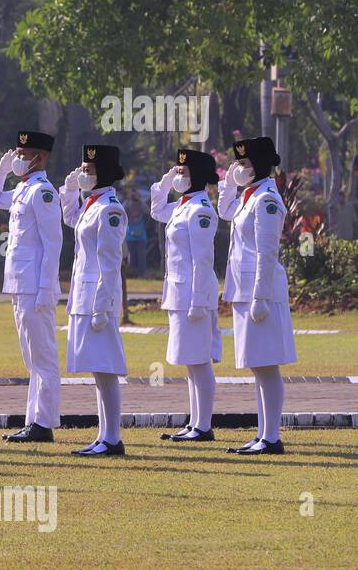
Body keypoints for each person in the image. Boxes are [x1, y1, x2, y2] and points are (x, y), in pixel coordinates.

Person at [0, 130, 63, 443]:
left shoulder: (43, 192)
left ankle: (43, 424)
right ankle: (34, 420)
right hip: (19, 283)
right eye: (16, 153)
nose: (16, 158)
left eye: (21, 154)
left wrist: (46, 289)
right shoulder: (22, 189)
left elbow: (52, 243)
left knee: (43, 356)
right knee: (32, 358)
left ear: (39, 158)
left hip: (35, 286)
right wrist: (0, 171)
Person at [219, 136, 294, 455]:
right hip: (246, 291)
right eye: (237, 163)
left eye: (245, 164)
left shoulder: (266, 199)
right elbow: (225, 212)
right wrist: (228, 181)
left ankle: (272, 436)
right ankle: (263, 433)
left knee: (267, 365)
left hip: (260, 293)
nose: (239, 168)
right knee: (257, 366)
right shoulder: (250, 196)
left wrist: (260, 297)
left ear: (260, 166)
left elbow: (267, 252)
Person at [60, 144, 129, 457]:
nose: (84, 174)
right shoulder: (92, 204)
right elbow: (70, 219)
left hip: (98, 299)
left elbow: (110, 262)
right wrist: (69, 190)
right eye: (83, 168)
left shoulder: (110, 209)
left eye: (89, 170)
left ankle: (113, 438)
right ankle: (104, 435)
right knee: (98, 371)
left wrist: (103, 304)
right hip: (85, 296)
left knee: (106, 368)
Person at [150, 148, 221, 442]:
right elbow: (156, 210)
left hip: (194, 296)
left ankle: (203, 426)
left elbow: (202, 261)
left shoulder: (201, 210)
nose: (179, 176)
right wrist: (165, 183)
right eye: (177, 171)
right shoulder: (181, 206)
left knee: (200, 360)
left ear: (199, 178)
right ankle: (194, 422)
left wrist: (199, 302)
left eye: (184, 172)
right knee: (190, 362)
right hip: (178, 293)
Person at [124, 188, 148, 277]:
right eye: (133, 195)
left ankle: (142, 275)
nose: (134, 197)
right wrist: (128, 199)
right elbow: (122, 210)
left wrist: (140, 199)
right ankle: (131, 274)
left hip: (141, 236)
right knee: (132, 257)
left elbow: (148, 211)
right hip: (130, 235)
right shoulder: (128, 204)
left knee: (141, 257)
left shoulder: (141, 204)